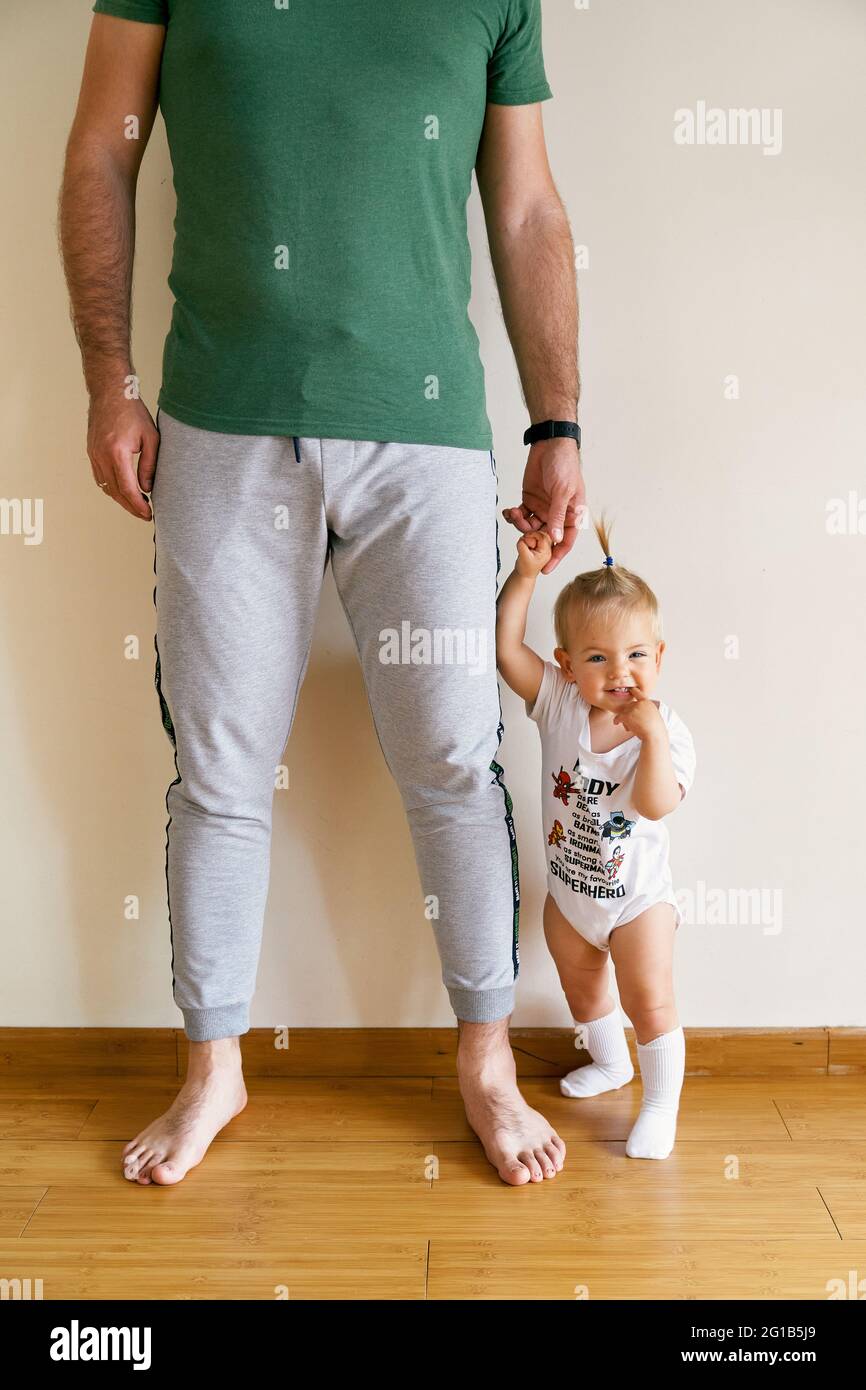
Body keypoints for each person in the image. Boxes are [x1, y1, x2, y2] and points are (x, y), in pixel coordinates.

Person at [59, 1, 586, 1188]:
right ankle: (214, 1067)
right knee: (220, 764)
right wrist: (109, 380)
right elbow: (104, 143)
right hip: (222, 421)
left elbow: (527, 203)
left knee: (454, 757)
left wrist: (554, 419)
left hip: (428, 435)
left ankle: (486, 1059)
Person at [495, 517, 696, 1159]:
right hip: (571, 897)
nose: (620, 672)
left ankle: (660, 1105)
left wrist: (653, 738)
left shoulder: (668, 731)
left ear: (658, 658)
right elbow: (505, 650)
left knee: (649, 1001)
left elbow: (653, 803)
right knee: (583, 989)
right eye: (598, 658)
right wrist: (525, 576)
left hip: (638, 901)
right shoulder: (558, 703)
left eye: (637, 655)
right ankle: (612, 1064)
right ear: (567, 665)